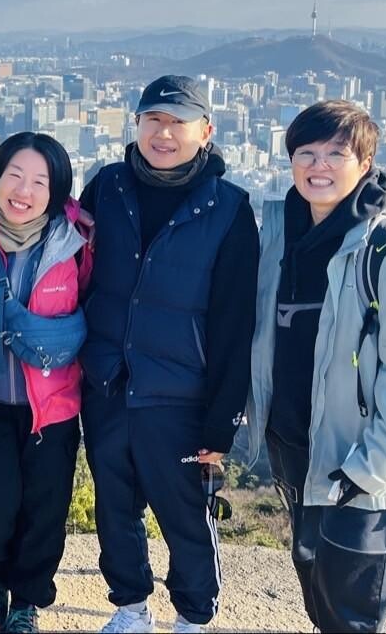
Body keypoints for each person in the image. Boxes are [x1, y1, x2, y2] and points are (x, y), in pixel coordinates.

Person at [247, 100, 386, 633]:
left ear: (365, 164)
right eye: (306, 152)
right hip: (294, 451)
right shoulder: (279, 236)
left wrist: (368, 471)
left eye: (337, 153)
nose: (319, 165)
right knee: (317, 593)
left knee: (353, 615)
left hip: (359, 468)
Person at [79, 75, 259, 634]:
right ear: (136, 125)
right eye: (152, 119)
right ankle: (130, 607)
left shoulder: (229, 209)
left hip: (181, 391)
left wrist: (222, 420)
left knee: (184, 515)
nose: (163, 133)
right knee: (114, 506)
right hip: (107, 380)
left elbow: (235, 323)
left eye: (177, 122)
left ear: (204, 130)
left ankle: (192, 616)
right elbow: (74, 277)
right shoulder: (106, 187)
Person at [0, 132, 93, 634]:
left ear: (57, 191)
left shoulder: (76, 243)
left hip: (52, 408)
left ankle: (27, 598)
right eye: (15, 175)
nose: (25, 190)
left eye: (41, 181)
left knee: (43, 508)